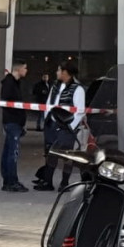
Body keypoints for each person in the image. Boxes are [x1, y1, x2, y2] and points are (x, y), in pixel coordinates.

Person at [33, 63, 86, 192]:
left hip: (66, 127)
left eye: (59, 70)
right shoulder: (55, 86)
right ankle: (48, 181)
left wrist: (70, 126)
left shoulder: (77, 89)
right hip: (52, 124)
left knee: (67, 156)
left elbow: (79, 111)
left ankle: (64, 183)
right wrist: (47, 119)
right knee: (50, 153)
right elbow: (49, 104)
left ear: (65, 72)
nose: (56, 72)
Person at [0, 61, 29, 192]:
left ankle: (8, 180)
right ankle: (11, 181)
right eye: (25, 68)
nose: (26, 71)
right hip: (12, 122)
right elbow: (8, 103)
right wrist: (17, 119)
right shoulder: (10, 83)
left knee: (8, 151)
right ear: (19, 68)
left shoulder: (13, 83)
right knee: (12, 152)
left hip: (13, 122)